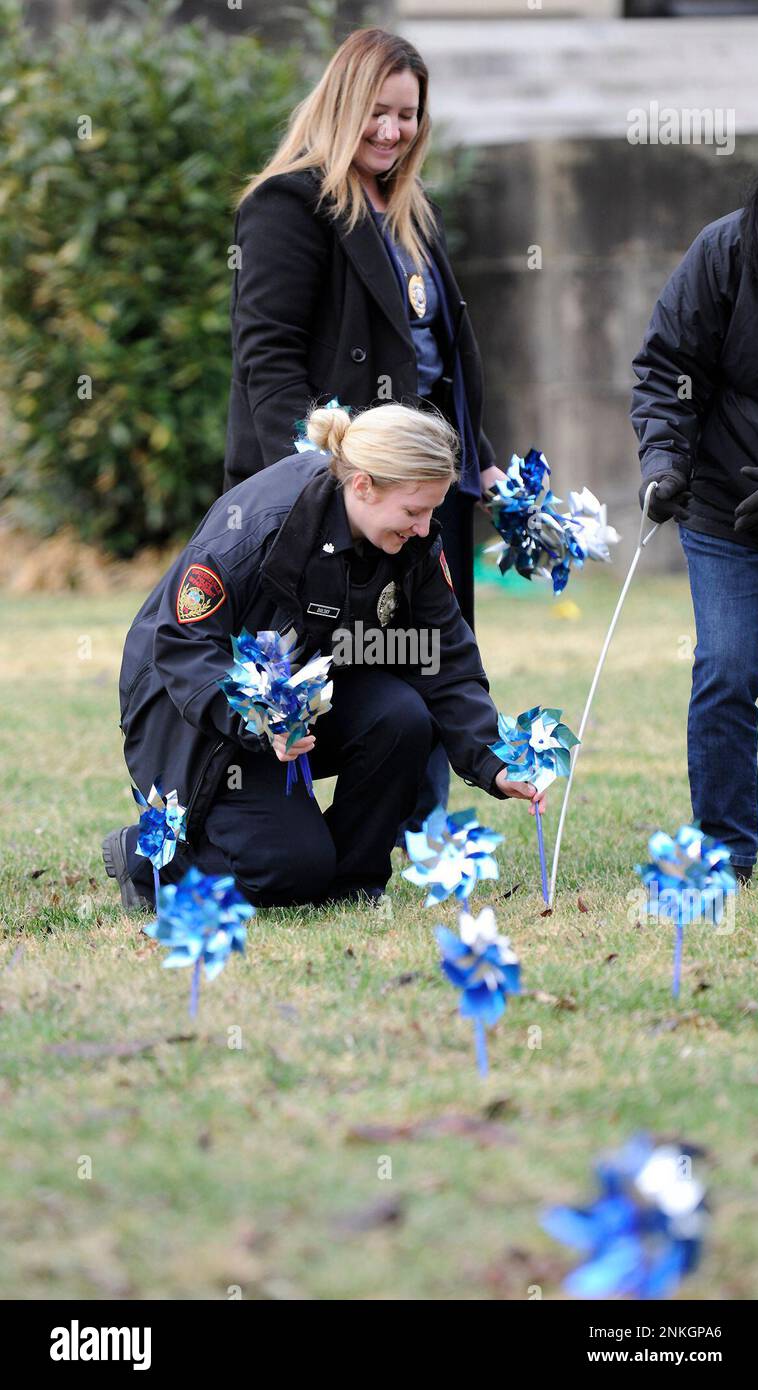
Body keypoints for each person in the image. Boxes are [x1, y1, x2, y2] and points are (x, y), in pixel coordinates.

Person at [222, 26, 506, 826]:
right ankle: (275, 830)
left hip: (425, 480)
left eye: (409, 115)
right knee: (324, 663)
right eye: (378, 112)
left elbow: (443, 358)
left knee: (435, 652)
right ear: (344, 105)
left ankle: (428, 832)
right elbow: (268, 359)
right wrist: (323, 476)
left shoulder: (416, 210)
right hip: (344, 488)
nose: (393, 130)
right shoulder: (289, 204)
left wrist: (478, 465)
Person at [103, 404, 543, 912]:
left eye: (431, 511)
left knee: (400, 716)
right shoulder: (259, 525)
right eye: (412, 512)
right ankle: (151, 859)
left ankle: (351, 885)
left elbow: (442, 656)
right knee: (286, 872)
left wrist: (493, 758)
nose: (424, 529)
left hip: (301, 700)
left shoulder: (412, 543)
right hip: (193, 712)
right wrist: (259, 718)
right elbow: (183, 646)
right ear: (362, 487)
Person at [631, 152, 758, 882]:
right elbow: (664, 370)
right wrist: (664, 464)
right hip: (724, 511)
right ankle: (724, 849)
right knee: (726, 667)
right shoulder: (725, 251)